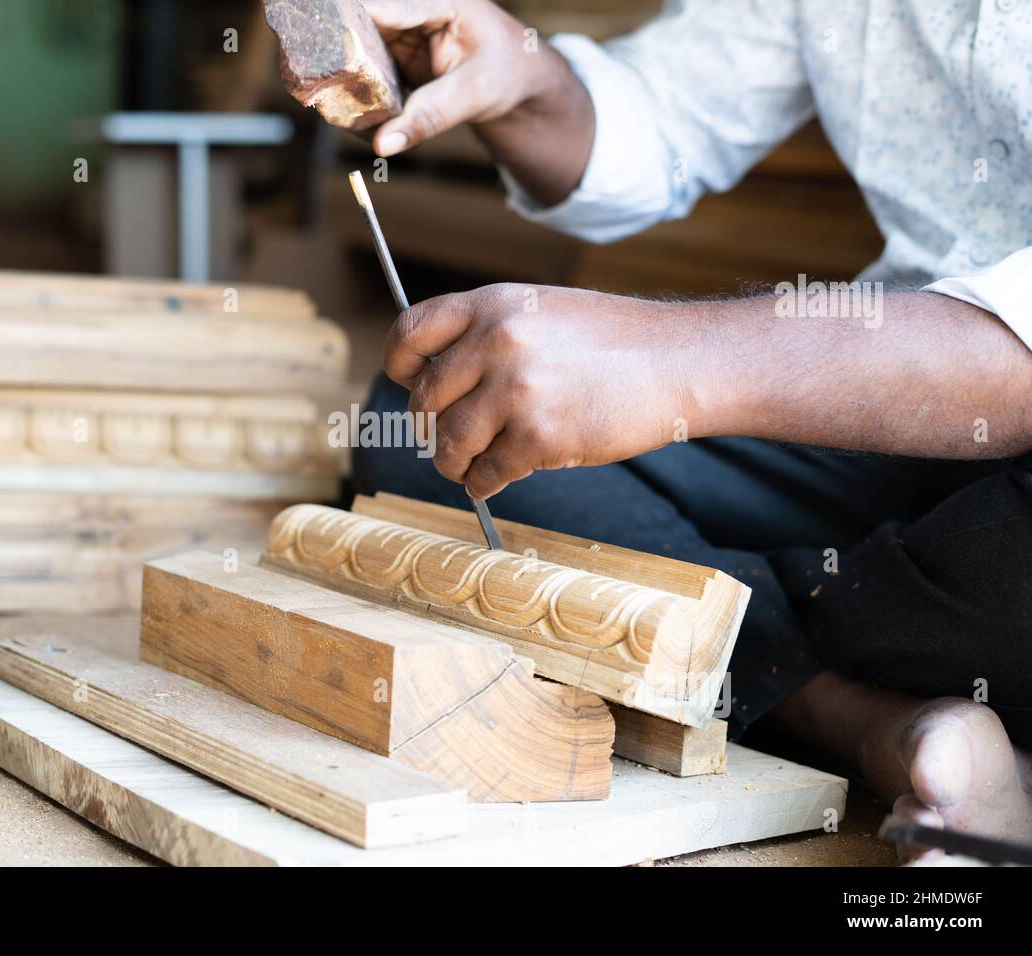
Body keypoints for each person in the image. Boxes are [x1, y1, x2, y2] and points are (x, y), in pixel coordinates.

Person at [350, 0, 1032, 859]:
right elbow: (667, 115)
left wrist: (664, 362)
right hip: (881, 398)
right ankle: (866, 718)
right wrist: (530, 82)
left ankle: (759, 633)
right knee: (446, 423)